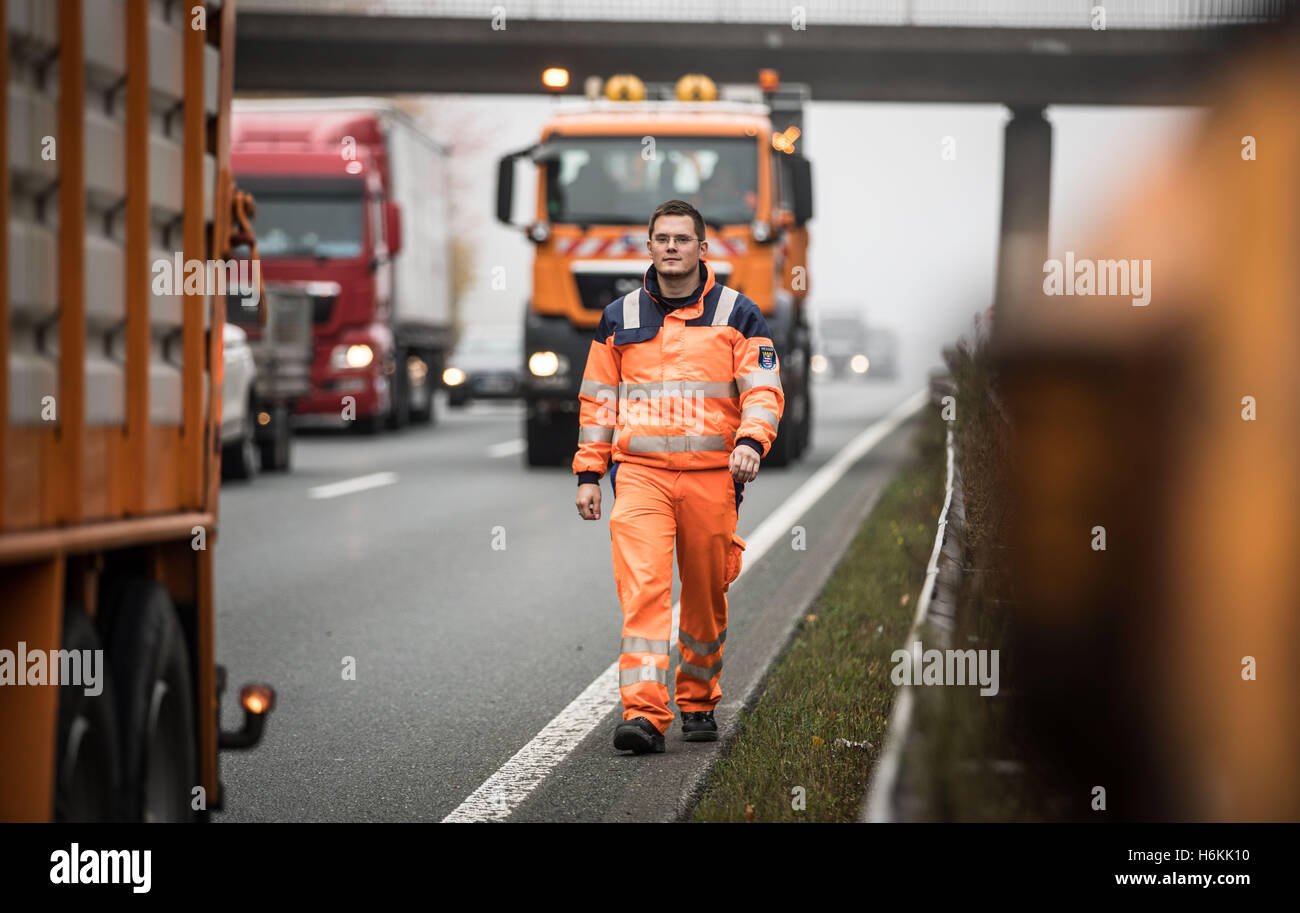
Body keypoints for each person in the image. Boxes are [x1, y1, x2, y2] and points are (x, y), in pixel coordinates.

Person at [572, 199, 785, 754]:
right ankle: (644, 713)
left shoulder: (738, 314)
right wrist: (590, 473)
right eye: (662, 238)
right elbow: (599, 401)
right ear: (648, 247)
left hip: (713, 476)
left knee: (705, 594)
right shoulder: (619, 317)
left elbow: (763, 389)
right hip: (640, 475)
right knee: (644, 590)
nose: (671, 247)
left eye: (682, 239)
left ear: (702, 249)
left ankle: (697, 700)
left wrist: (750, 441)